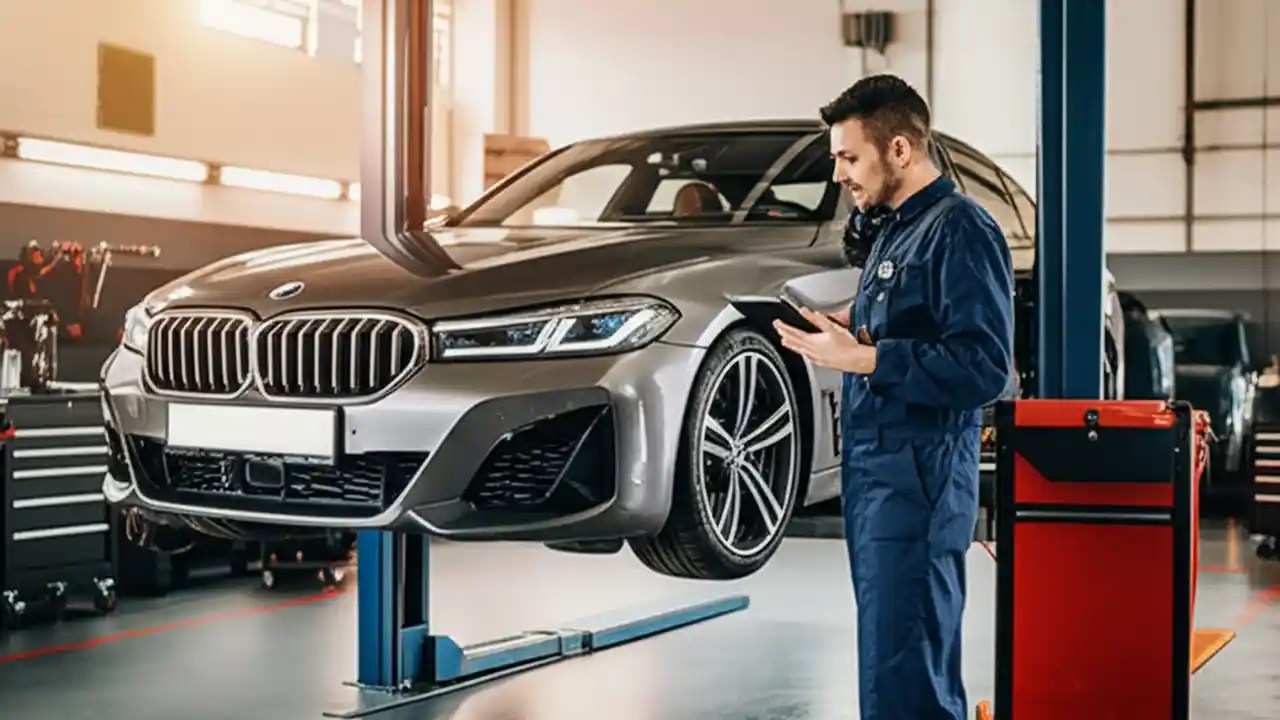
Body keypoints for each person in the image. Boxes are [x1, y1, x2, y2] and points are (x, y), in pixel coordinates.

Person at [773, 74, 1014, 719]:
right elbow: (911, 320)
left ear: (900, 149)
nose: (841, 175)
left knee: (911, 657)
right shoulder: (897, 230)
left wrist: (867, 357)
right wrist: (850, 328)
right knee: (888, 651)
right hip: (880, 473)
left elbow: (986, 366)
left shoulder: (960, 228)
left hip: (923, 474)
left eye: (849, 158)